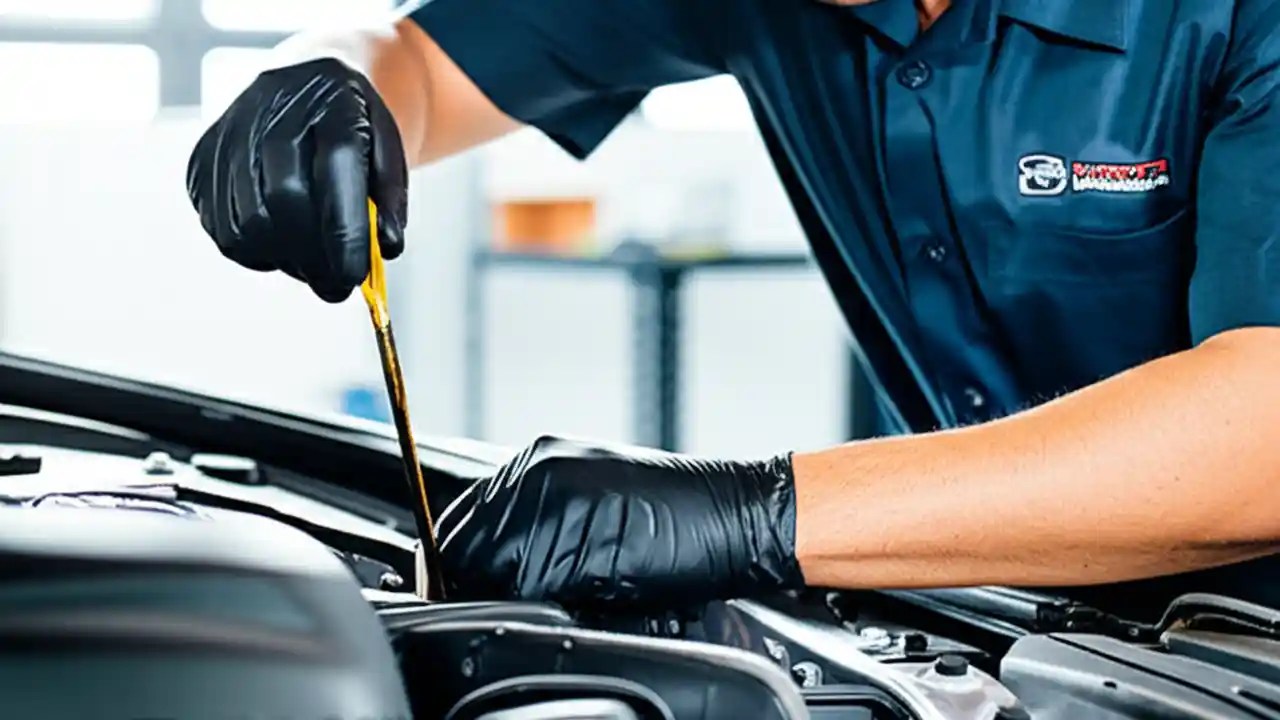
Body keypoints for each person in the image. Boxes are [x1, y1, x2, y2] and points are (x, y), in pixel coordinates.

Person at [186, 0, 1280, 618]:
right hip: (998, 624)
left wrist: (752, 512)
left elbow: (1263, 437)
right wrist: (320, 81)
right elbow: (423, 62)